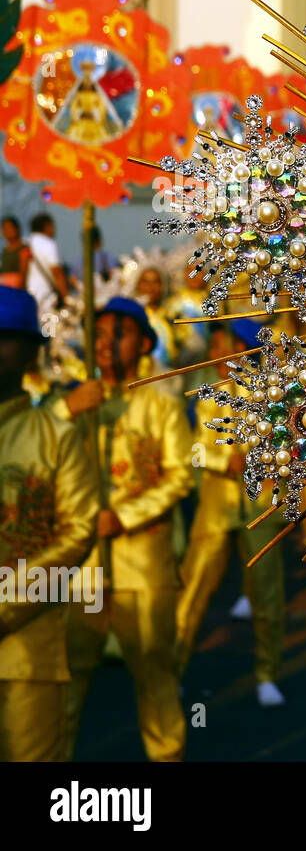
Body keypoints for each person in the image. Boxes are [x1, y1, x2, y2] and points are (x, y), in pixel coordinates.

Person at [54, 296, 193, 761]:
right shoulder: (70, 401)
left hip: (143, 568)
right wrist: (66, 413)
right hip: (81, 570)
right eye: (102, 331)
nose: (110, 341)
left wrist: (126, 516)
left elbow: (180, 476)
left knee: (156, 676)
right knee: (65, 681)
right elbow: (33, 456)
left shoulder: (160, 403)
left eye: (123, 332)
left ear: (144, 344)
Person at [0, 288, 97, 761]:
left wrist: (5, 605)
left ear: (31, 351)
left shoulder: (55, 436)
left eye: (6, 339)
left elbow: (78, 533)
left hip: (28, 650)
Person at [175, 320, 287, 707]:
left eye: (224, 341)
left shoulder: (270, 392)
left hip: (260, 504)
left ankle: (268, 673)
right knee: (193, 588)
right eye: (215, 341)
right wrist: (225, 459)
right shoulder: (201, 392)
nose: (216, 349)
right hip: (216, 503)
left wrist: (260, 456)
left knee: (268, 592)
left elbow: (288, 442)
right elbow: (189, 451)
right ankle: (172, 673)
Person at [25, 213, 66, 312]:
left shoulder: (24, 242)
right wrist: (66, 297)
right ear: (47, 226)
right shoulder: (48, 244)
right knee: (48, 326)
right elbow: (57, 272)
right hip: (45, 296)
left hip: (25, 296)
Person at [1, 216, 30, 289]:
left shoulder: (24, 249)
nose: (7, 231)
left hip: (18, 290)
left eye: (9, 228)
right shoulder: (5, 251)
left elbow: (23, 277)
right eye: (4, 229)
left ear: (16, 229)